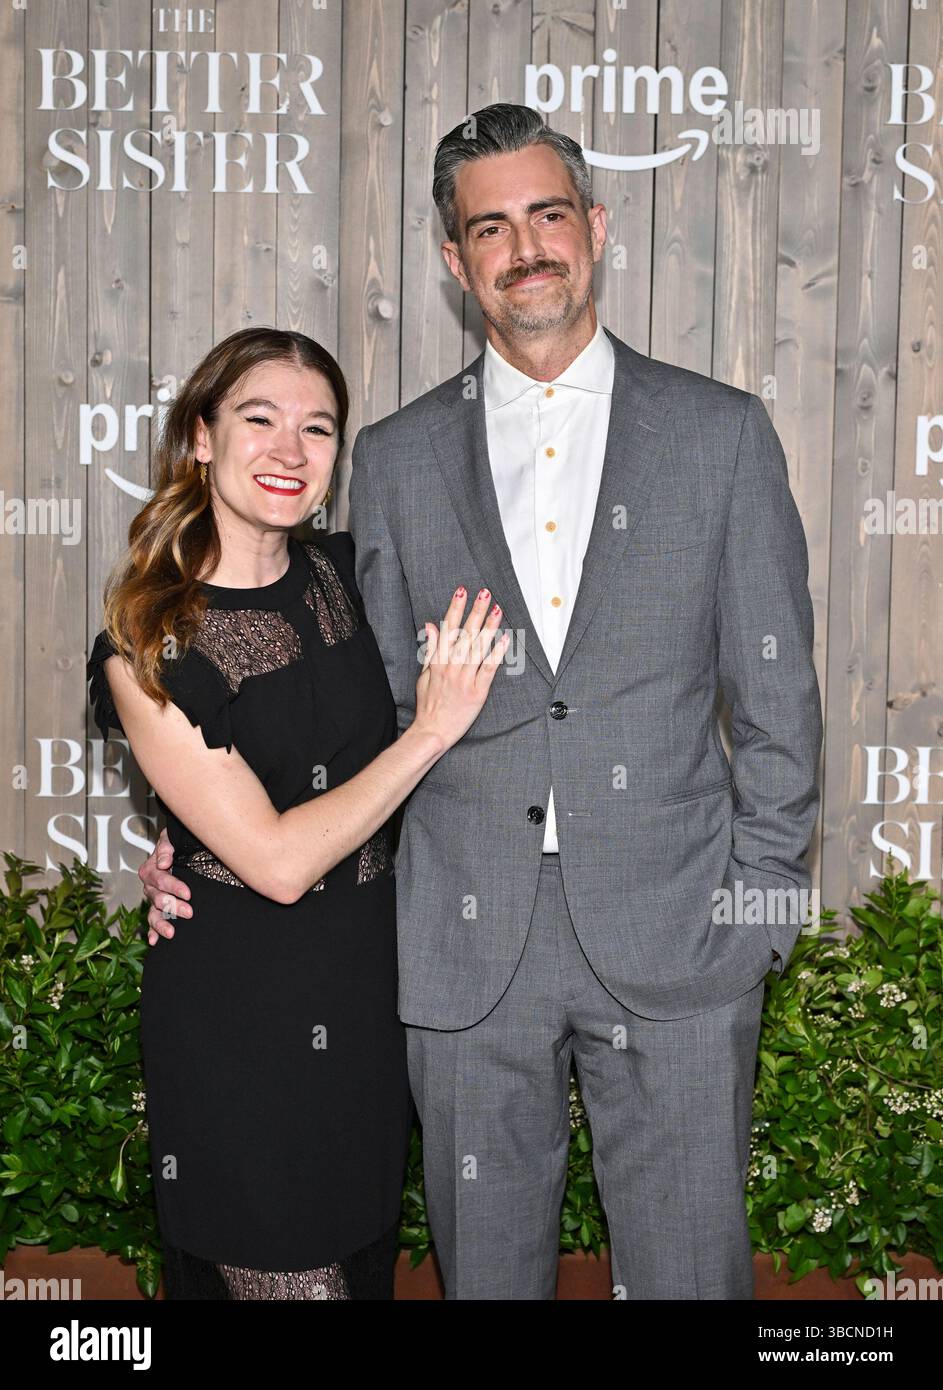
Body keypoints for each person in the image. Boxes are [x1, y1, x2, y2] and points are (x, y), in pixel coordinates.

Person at [139, 104, 823, 1300]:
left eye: (548, 214)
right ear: (456, 264)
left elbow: (778, 703)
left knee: (689, 1277)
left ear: (595, 229)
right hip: (459, 950)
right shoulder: (396, 459)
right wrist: (193, 836)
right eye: (490, 228)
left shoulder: (720, 435)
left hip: (681, 941)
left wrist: (754, 922)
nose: (526, 248)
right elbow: (329, 689)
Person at [86, 326, 508, 1300]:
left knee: (357, 1263)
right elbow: (275, 861)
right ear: (201, 435)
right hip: (243, 1012)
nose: (288, 451)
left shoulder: (348, 574)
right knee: (277, 1270)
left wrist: (180, 842)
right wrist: (431, 731)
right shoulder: (148, 645)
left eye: (317, 429)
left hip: (364, 995)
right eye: (258, 419)